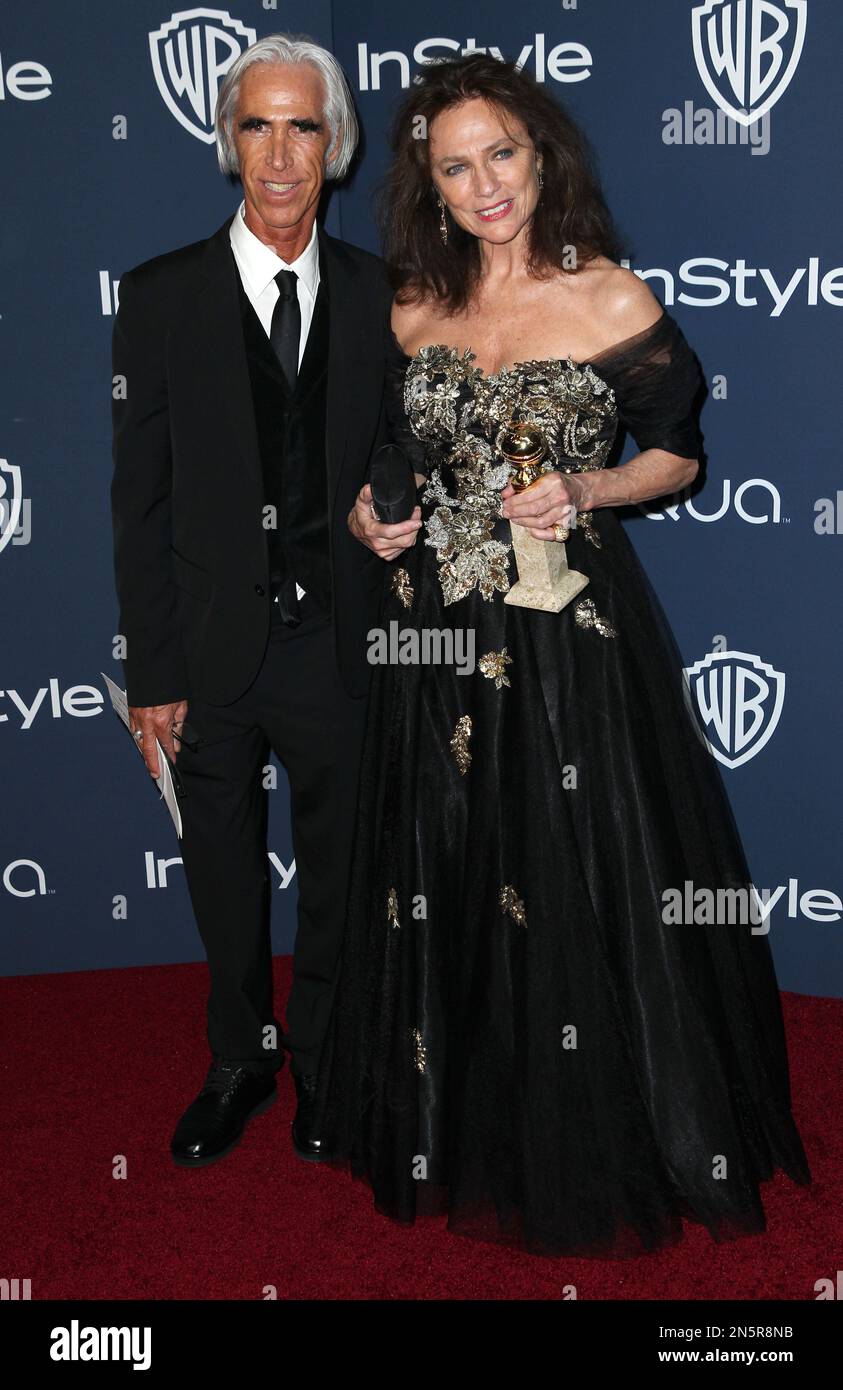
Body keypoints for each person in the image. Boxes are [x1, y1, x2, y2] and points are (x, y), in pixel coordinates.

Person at [313, 54, 812, 1258]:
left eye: (503, 156)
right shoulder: (410, 308)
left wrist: (588, 483)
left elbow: (678, 457)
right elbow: (392, 470)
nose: (485, 185)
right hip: (434, 645)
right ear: (427, 185)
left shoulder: (610, 299)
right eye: (455, 166)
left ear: (544, 158)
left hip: (564, 645)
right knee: (439, 870)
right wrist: (371, 519)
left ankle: (609, 1128)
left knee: (581, 876)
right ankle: (458, 1117)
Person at [110, 34, 421, 1168]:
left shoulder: (384, 297)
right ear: (227, 141)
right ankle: (242, 1055)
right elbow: (134, 503)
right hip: (209, 646)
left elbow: (401, 449)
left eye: (303, 126)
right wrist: (154, 671)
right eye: (257, 124)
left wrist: (397, 499)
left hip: (339, 644)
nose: (279, 153)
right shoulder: (160, 298)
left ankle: (331, 1063)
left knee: (343, 876)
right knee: (226, 875)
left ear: (336, 147)